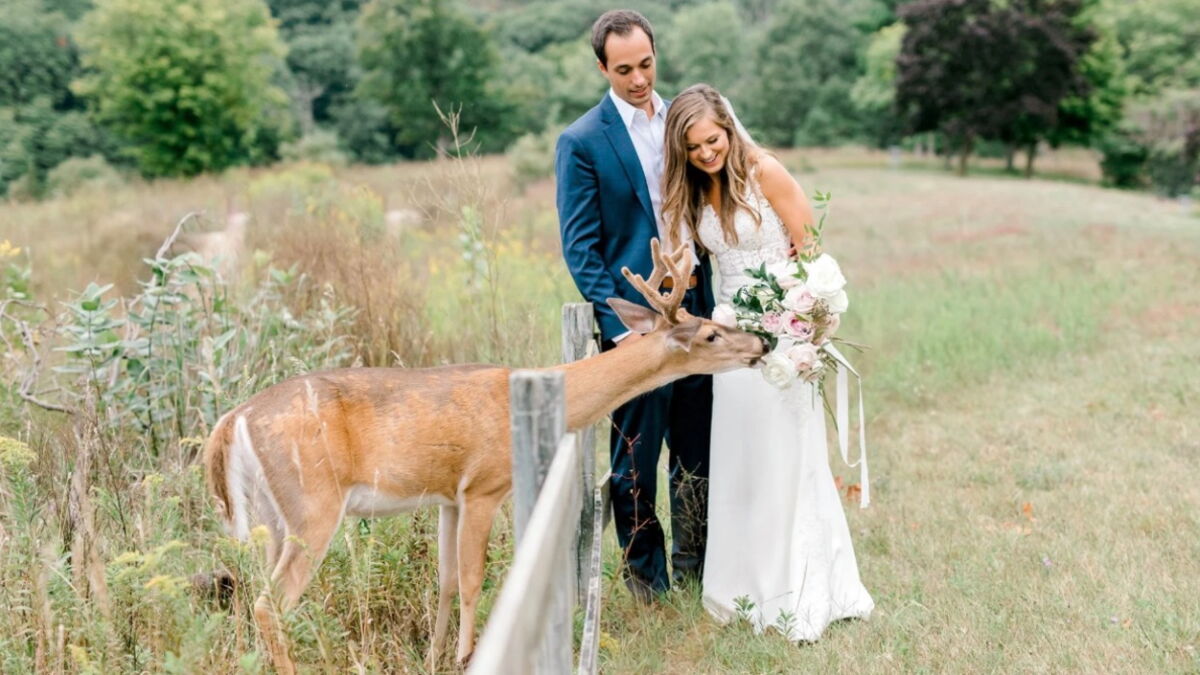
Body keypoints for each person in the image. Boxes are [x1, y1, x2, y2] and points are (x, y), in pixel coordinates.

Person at [661, 83, 874, 641]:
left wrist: (804, 324)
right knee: (743, 460)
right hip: (730, 340)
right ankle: (743, 590)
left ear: (728, 128)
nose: (708, 153)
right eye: (694, 147)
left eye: (713, 140)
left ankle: (801, 589)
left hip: (784, 334)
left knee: (787, 459)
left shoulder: (765, 172)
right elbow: (681, 258)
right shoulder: (692, 192)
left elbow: (810, 249)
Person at [556, 10, 715, 601]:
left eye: (646, 64)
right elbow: (581, 248)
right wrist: (620, 330)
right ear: (602, 68)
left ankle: (697, 569)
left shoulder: (682, 121)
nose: (639, 79)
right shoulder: (581, 141)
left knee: (696, 450)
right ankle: (648, 584)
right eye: (624, 69)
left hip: (697, 314)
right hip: (637, 328)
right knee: (635, 462)